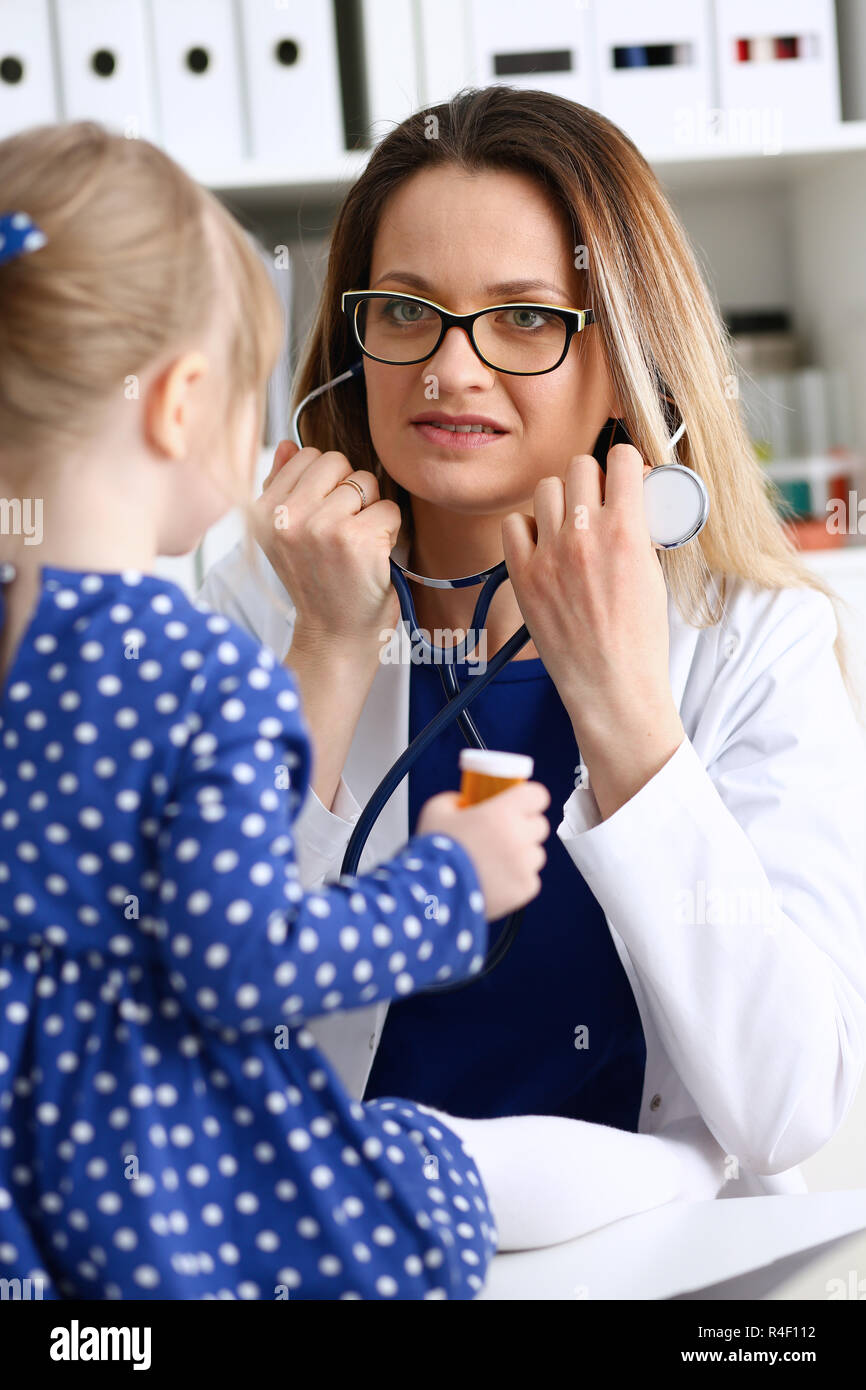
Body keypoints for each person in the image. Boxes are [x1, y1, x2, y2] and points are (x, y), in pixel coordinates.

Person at [200, 86, 866, 1206]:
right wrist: (324, 646)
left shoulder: (753, 636)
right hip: (341, 1257)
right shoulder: (260, 602)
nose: (449, 369)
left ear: (622, 359)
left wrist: (623, 709)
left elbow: (783, 1105)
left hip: (649, 1263)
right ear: (352, 343)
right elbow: (191, 1027)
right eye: (405, 310)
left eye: (522, 318)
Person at [0, 121, 558, 1301]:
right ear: (181, 404)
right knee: (420, 1191)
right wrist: (446, 879)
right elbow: (240, 963)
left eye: (521, 318)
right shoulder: (205, 675)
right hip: (150, 1178)